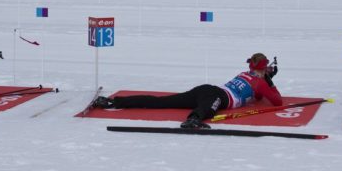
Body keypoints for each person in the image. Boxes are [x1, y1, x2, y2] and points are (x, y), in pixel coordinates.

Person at [91, 52, 282, 129]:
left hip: (206, 89)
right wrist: (270, 81)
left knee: (160, 102)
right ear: (264, 68)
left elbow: (256, 94)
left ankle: (113, 102)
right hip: (216, 96)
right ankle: (194, 119)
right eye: (266, 68)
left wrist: (266, 77)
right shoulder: (262, 82)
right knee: (208, 109)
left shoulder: (246, 73)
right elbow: (277, 102)